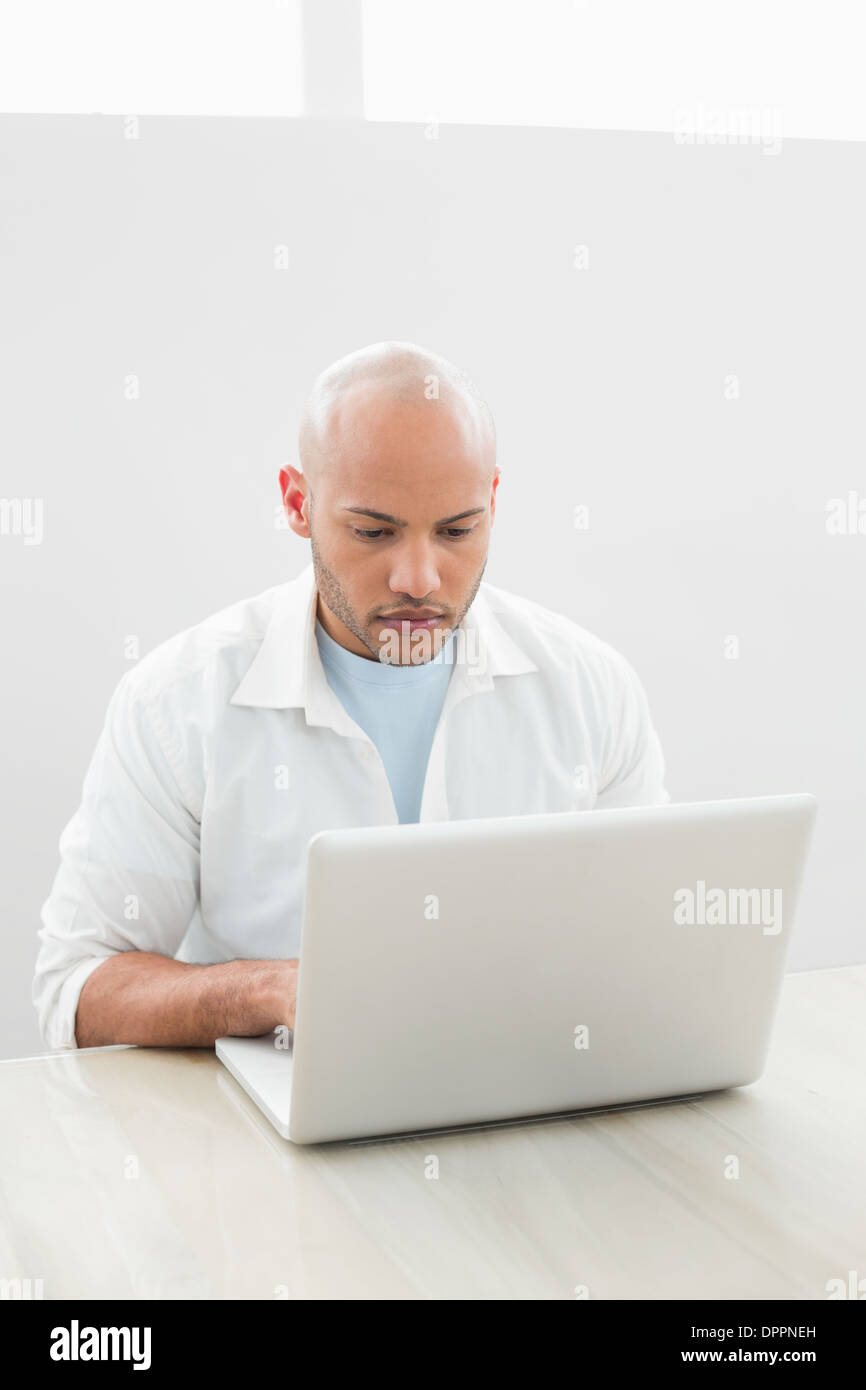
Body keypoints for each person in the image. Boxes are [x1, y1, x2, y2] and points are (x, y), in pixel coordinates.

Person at [33, 340, 669, 1051]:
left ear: (492, 500)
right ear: (298, 503)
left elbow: (646, 951)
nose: (419, 578)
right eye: (373, 531)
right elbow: (75, 988)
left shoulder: (593, 690)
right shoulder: (174, 704)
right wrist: (267, 991)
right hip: (270, 1146)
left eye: (458, 530)